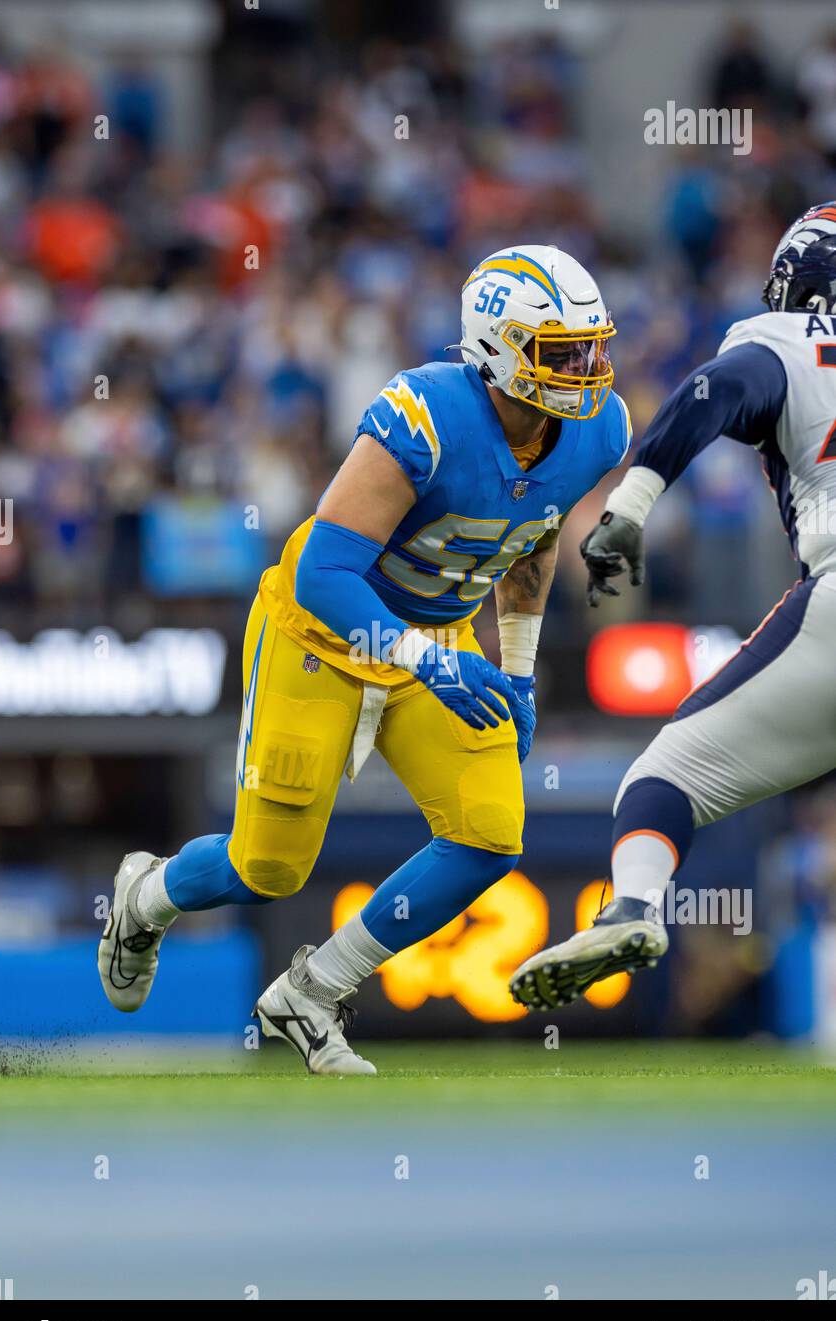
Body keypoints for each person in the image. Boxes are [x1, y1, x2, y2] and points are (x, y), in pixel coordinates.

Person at [98, 244, 630, 1070]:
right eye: (561, 352)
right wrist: (427, 660)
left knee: (491, 835)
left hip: (441, 639)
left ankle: (312, 993)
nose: (586, 370)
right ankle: (147, 894)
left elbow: (534, 540)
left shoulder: (597, 431)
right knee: (266, 868)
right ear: (497, 348)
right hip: (325, 636)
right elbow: (323, 576)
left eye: (591, 346)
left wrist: (518, 670)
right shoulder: (425, 415)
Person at [510, 204, 836, 1012]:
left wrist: (632, 502)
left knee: (666, 777)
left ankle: (633, 908)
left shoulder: (789, 344)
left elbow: (713, 390)